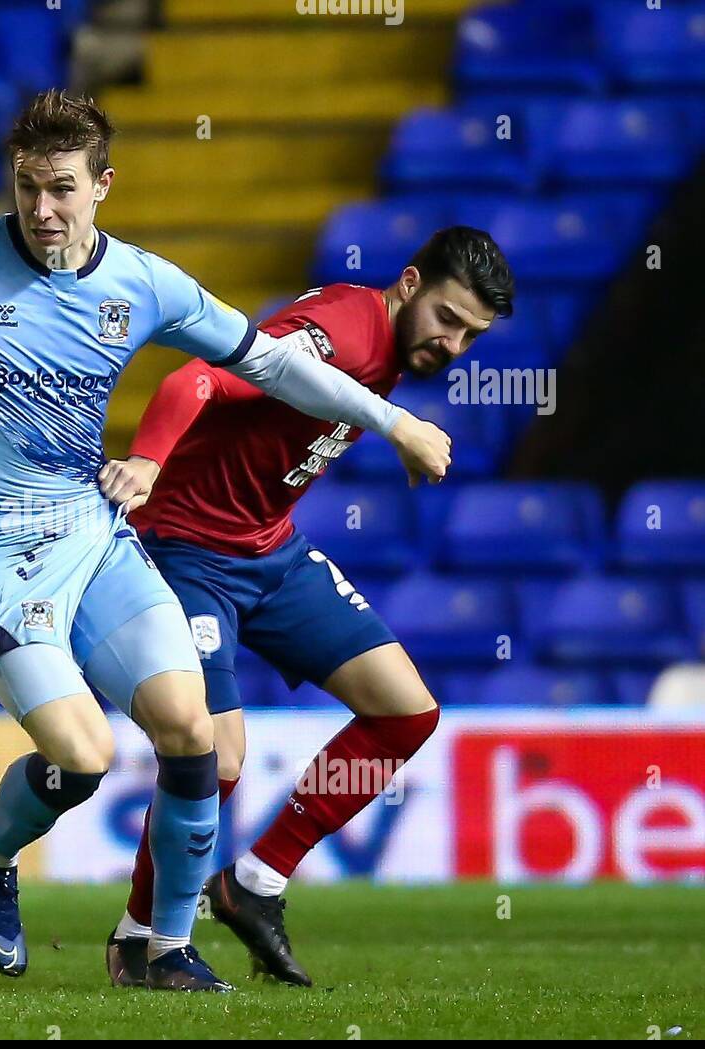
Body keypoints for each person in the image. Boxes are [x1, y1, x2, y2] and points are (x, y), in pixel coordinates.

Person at [0, 89, 452, 992]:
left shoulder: (145, 284)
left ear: (103, 185)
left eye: (61, 189)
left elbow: (269, 363)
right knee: (84, 755)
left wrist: (394, 424)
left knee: (195, 737)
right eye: (27, 188)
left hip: (93, 536)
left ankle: (158, 951)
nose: (43, 211)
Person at [98, 228, 514, 987]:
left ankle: (254, 885)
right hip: (188, 554)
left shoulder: (381, 346)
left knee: (405, 714)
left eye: (471, 335)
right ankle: (138, 939)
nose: (453, 344)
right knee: (214, 762)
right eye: (448, 319)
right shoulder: (344, 336)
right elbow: (197, 380)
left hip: (270, 552)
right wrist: (150, 462)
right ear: (410, 282)